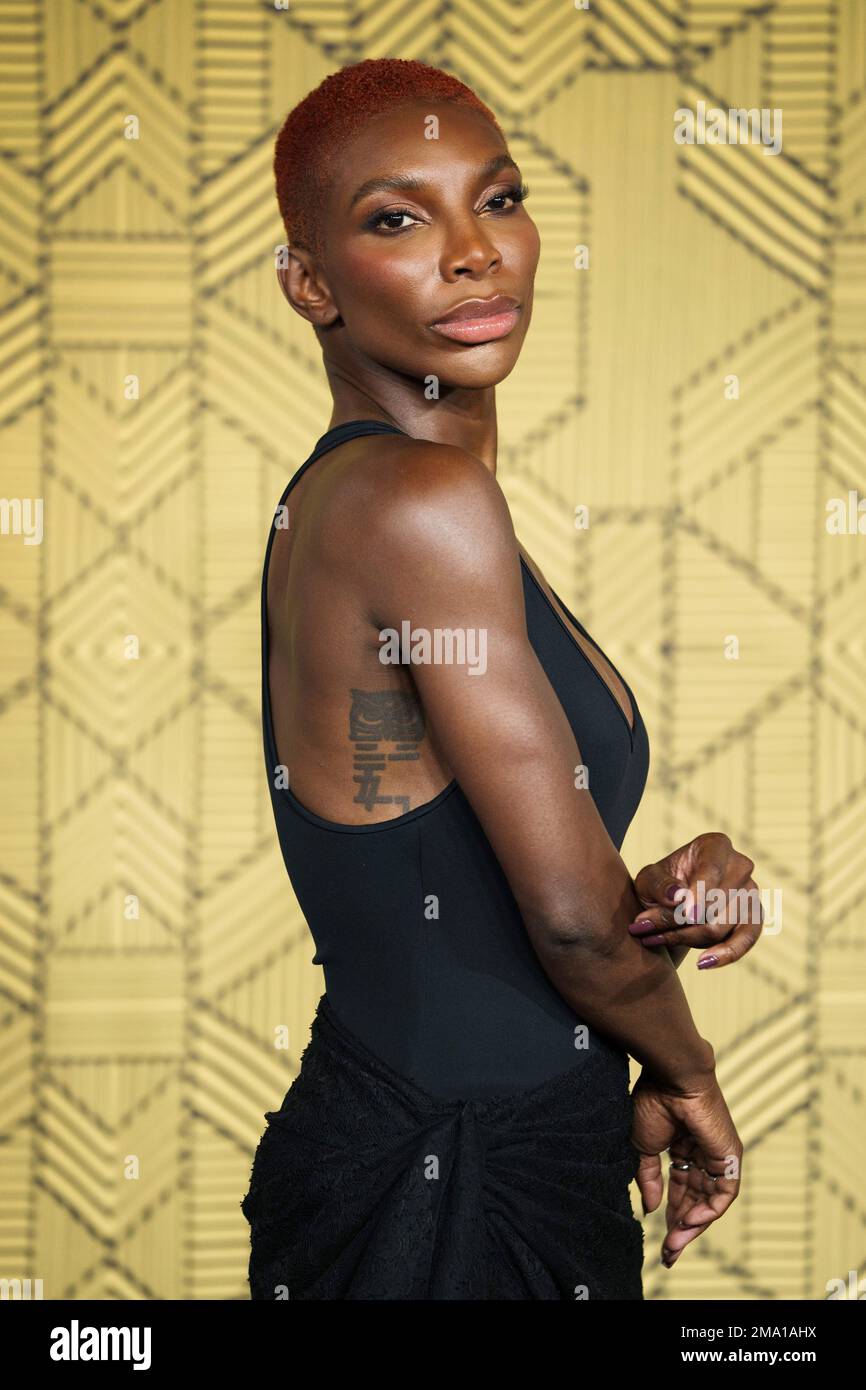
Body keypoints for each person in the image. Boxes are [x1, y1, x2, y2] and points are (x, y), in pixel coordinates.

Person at [240, 57, 762, 1300]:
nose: (473, 251)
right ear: (308, 281)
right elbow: (570, 925)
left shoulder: (360, 499)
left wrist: (663, 896)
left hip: (452, 1138)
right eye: (395, 218)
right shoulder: (423, 503)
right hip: (456, 1181)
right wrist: (686, 1073)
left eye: (500, 198)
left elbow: (478, 895)